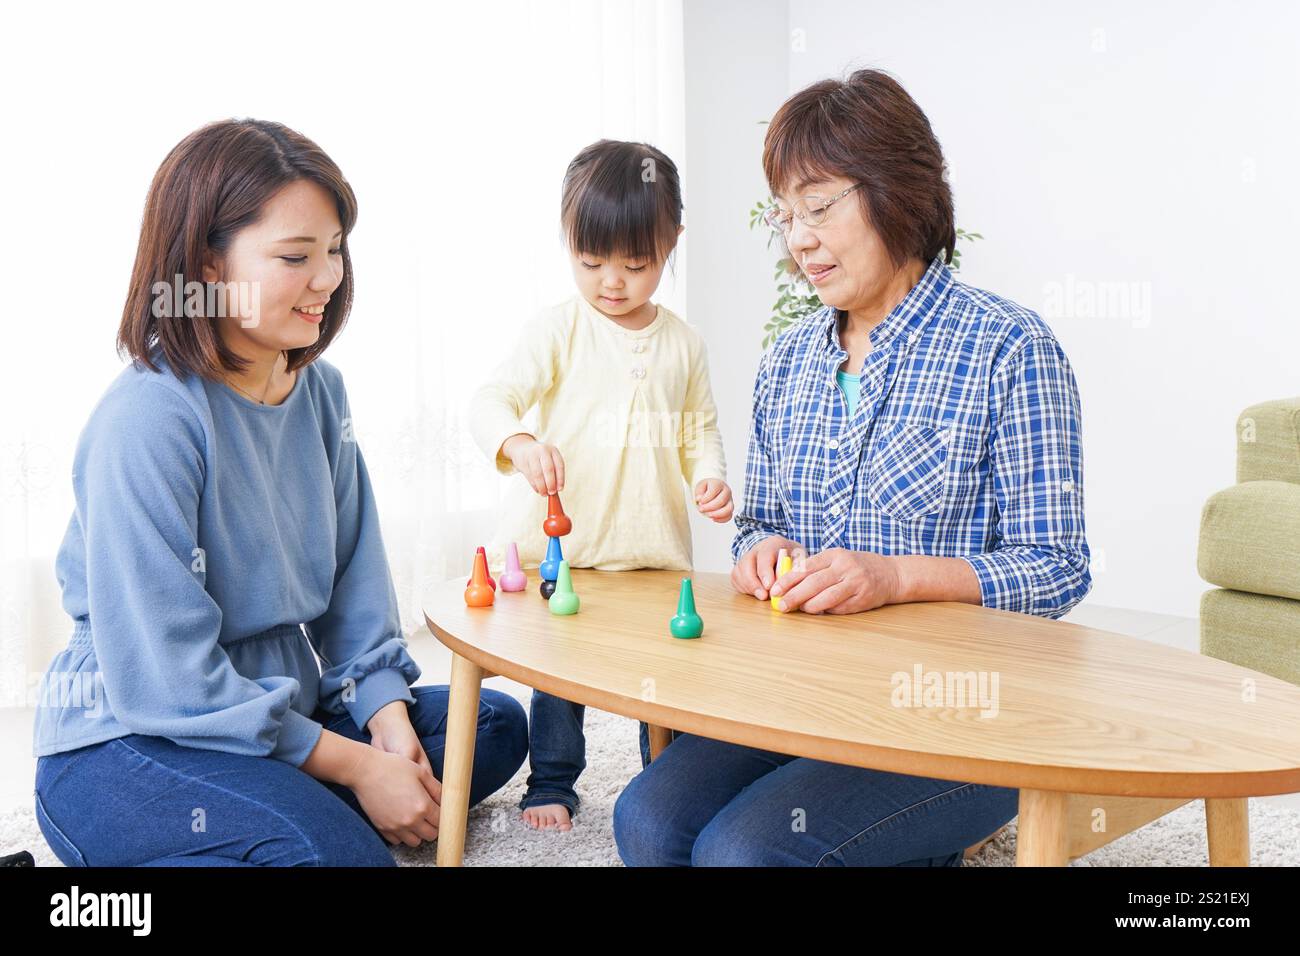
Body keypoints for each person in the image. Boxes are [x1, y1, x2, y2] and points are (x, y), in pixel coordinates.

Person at [614, 69, 1092, 866]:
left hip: (958, 713)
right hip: (808, 700)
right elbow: (759, 523)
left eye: (820, 205)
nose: (798, 237)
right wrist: (756, 552)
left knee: (746, 853)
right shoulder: (790, 359)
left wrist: (898, 578)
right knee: (649, 822)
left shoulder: (1010, 348)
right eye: (785, 215)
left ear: (897, 190)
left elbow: (1057, 568)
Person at [32, 118, 527, 867]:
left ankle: (277, 815)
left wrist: (386, 718)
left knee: (488, 726)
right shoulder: (148, 419)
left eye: (334, 251)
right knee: (335, 855)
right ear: (203, 265)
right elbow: (168, 679)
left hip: (272, 707)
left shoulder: (322, 393)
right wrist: (358, 766)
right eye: (296, 256)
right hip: (132, 735)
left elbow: (355, 585)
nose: (327, 278)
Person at [468, 139, 733, 831]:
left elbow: (699, 428)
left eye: (635, 264)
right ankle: (551, 783)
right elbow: (490, 400)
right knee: (560, 680)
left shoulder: (684, 343)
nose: (610, 281)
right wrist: (518, 442)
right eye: (590, 262)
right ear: (567, 242)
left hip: (652, 553)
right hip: (568, 552)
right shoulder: (558, 328)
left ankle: (667, 788)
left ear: (672, 243)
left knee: (663, 681)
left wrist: (708, 477)